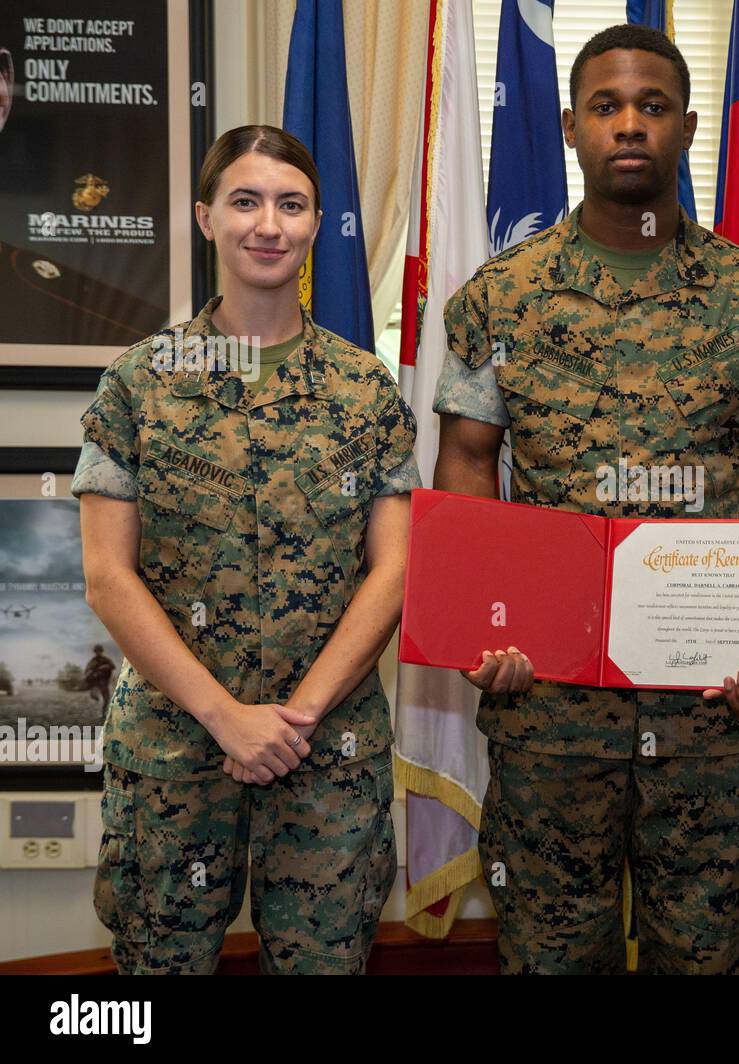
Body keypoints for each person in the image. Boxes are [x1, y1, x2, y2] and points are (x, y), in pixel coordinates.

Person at [433, 25, 739, 974]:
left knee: (708, 959)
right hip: (548, 713)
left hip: (711, 713)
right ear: (570, 127)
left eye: (652, 107)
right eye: (606, 107)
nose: (629, 125)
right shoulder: (502, 298)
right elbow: (466, 461)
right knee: (551, 961)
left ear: (687, 126)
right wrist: (482, 631)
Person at [73, 125, 420, 974]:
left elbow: (397, 568)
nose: (268, 223)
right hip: (174, 750)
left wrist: (293, 718)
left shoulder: (364, 388)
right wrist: (227, 718)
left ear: (314, 224)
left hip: (325, 748)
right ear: (206, 218)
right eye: (245, 201)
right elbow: (107, 577)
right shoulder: (139, 382)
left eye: (290, 204)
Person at [83, 644, 116, 711]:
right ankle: (98, 703)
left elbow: (113, 666)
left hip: (104, 681)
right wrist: (92, 672)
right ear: (95, 652)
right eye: (97, 651)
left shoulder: (106, 659)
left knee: (106, 698)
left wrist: (105, 667)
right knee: (94, 695)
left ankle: (104, 710)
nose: (98, 652)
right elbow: (87, 669)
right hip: (95, 682)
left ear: (101, 651)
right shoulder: (93, 660)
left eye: (99, 651)